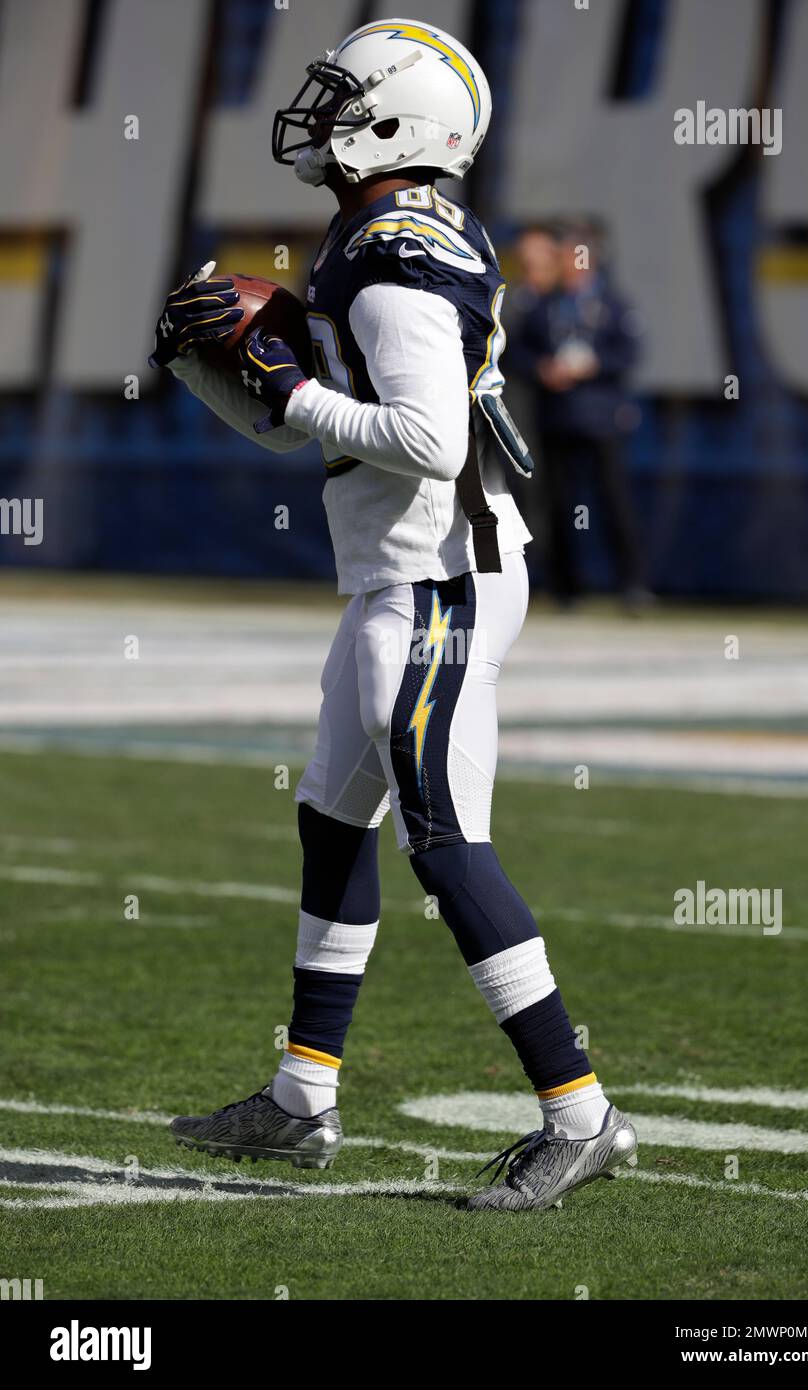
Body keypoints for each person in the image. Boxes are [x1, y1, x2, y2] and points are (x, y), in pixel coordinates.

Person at [149, 18, 636, 1212]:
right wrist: (276, 383)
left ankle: (579, 1115)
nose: (316, 117)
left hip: (435, 583)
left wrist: (296, 388)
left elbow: (428, 437)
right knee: (330, 814)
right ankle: (300, 1100)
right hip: (401, 573)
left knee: (442, 838)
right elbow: (336, 409)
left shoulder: (392, 256)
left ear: (396, 120)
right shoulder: (386, 231)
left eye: (339, 97)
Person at [509, 221, 650, 610]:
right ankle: (566, 587)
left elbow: (630, 355)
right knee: (559, 504)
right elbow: (515, 352)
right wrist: (542, 368)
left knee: (614, 501)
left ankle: (632, 584)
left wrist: (594, 366)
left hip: (602, 420)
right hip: (558, 419)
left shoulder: (612, 305)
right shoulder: (543, 306)